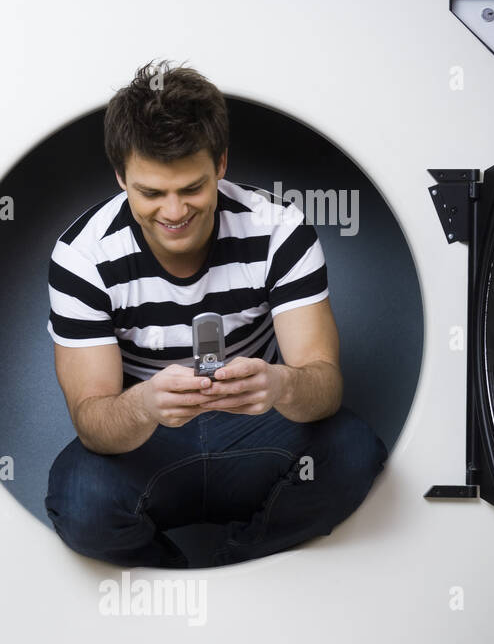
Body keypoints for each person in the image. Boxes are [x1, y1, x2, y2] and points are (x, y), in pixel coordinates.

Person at [44, 61, 387, 569]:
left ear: (220, 164)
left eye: (191, 188)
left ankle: (237, 567)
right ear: (121, 177)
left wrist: (280, 386)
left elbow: (325, 385)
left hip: (257, 431)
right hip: (148, 446)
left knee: (355, 451)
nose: (174, 211)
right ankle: (177, 584)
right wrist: (143, 406)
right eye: (151, 192)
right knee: (79, 500)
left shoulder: (278, 231)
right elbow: (93, 422)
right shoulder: (82, 256)